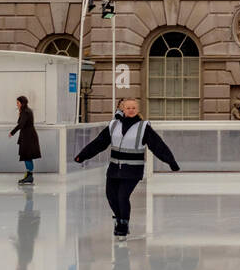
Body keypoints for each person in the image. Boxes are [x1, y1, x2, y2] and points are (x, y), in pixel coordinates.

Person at [74, 97, 179, 237]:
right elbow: (99, 143)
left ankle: (123, 223)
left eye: (134, 108)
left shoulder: (143, 127)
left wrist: (171, 161)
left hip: (132, 170)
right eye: (128, 108)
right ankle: (118, 218)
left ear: (138, 110)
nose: (131, 110)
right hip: (114, 169)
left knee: (122, 196)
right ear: (123, 109)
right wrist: (83, 155)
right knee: (111, 197)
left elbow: (158, 146)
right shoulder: (113, 125)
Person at [9, 95, 41, 186]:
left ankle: (29, 176)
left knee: (27, 156)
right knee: (27, 156)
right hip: (28, 136)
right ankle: (29, 175)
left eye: (18, 103)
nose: (17, 105)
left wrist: (12, 132)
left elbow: (21, 125)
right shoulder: (26, 111)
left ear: (22, 103)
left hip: (28, 138)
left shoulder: (25, 112)